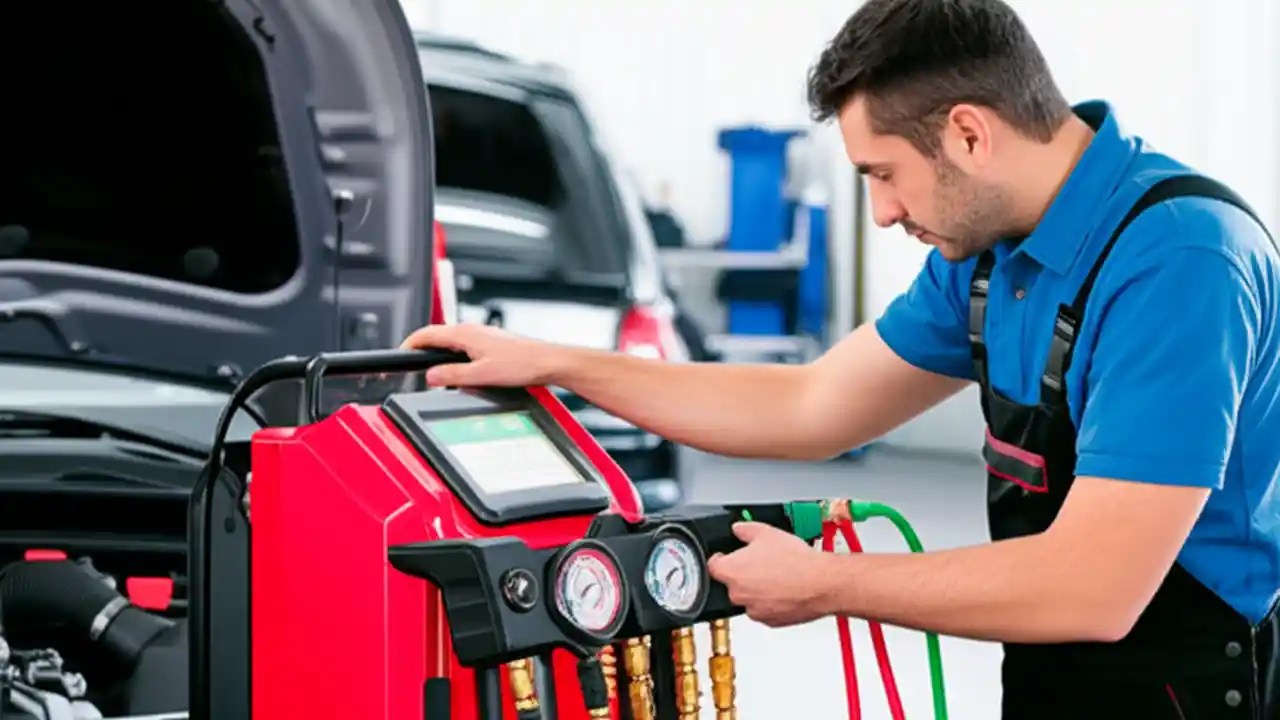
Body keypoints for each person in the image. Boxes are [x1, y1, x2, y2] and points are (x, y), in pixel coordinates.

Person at [401, 0, 1280, 716]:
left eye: (882, 173)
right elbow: (809, 405)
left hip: (1188, 686)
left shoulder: (1179, 260)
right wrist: (553, 363)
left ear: (969, 135)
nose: (883, 213)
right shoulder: (985, 258)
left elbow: (1095, 587)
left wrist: (829, 584)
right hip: (1059, 673)